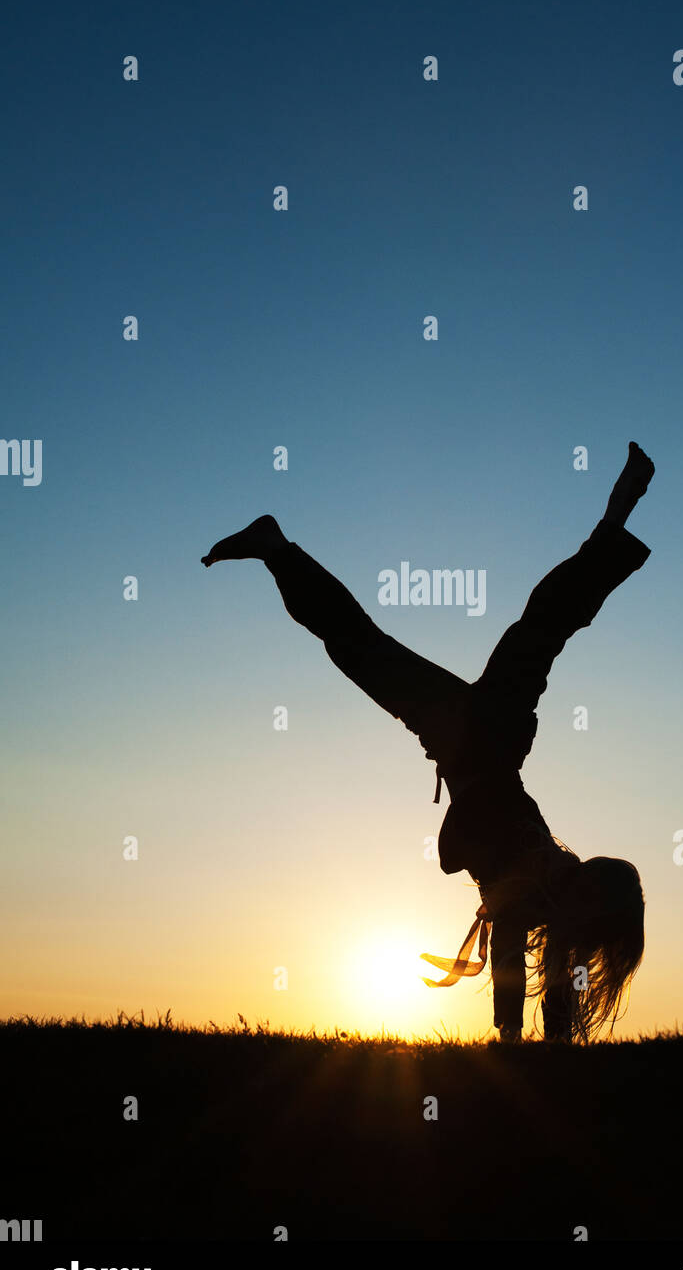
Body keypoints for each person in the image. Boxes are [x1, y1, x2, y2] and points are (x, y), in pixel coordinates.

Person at [201, 442, 654, 1043]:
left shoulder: (554, 896)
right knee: (516, 628)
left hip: (476, 736)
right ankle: (618, 513)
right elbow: (514, 956)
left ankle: (276, 549)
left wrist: (538, 1041)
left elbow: (531, 965)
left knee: (373, 644)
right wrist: (514, 1038)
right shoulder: (542, 890)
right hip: (483, 740)